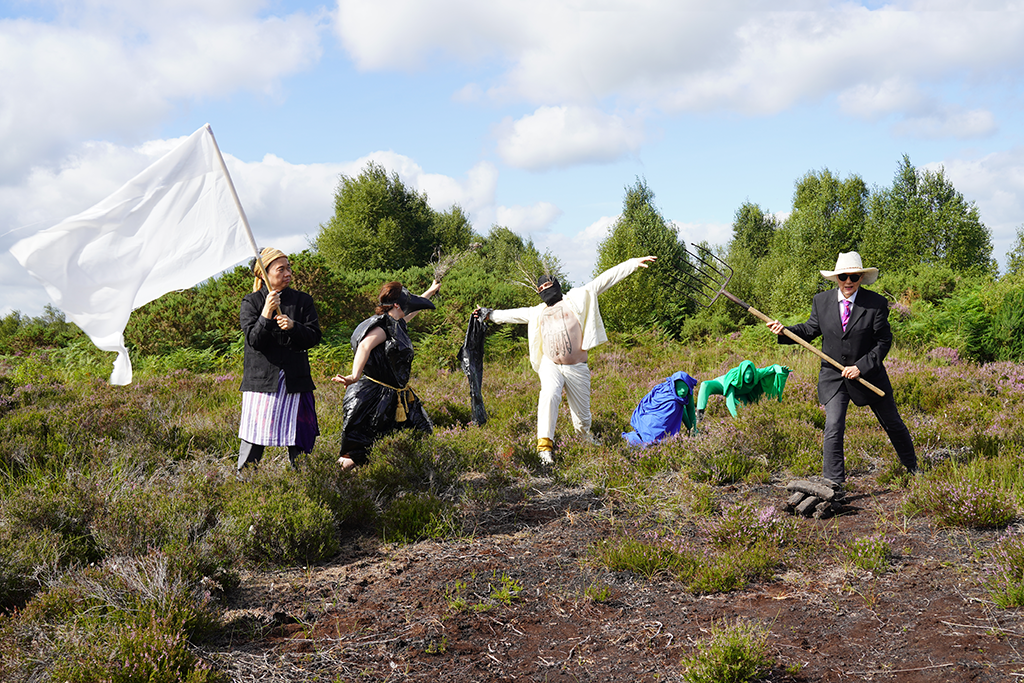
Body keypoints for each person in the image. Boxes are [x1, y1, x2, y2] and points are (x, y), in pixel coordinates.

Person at [479, 255, 657, 465]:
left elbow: (604, 280)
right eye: (541, 288)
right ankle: (544, 447)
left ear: (557, 285)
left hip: (576, 367)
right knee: (549, 394)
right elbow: (513, 315)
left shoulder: (577, 298)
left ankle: (585, 437)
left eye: (548, 285)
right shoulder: (538, 312)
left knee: (582, 419)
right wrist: (488, 314)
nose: (545, 289)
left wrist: (631, 264)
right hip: (550, 364)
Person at [767, 251, 917, 486]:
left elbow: (883, 342)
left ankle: (913, 469)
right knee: (833, 426)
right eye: (843, 276)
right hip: (834, 375)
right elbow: (809, 330)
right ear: (836, 278)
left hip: (868, 375)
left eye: (854, 277)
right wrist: (784, 331)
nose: (848, 281)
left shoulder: (875, 304)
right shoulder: (821, 301)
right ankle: (834, 485)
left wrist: (861, 367)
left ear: (860, 278)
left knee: (893, 423)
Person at [332, 280, 441, 469]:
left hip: (397, 395)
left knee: (420, 432)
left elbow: (415, 309)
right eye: (406, 297)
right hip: (374, 397)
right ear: (397, 304)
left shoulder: (398, 322)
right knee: (358, 451)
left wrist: (431, 291)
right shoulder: (382, 328)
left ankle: (406, 481)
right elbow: (365, 345)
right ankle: (335, 484)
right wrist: (355, 375)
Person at [238, 248, 322, 471]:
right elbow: (254, 340)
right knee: (254, 439)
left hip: (297, 381)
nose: (288, 273)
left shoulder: (303, 301)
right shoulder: (251, 302)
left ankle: (305, 485)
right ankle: (243, 485)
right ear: (263, 274)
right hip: (262, 384)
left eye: (289, 268)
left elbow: (314, 337)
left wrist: (295, 327)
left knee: (300, 439)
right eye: (281, 269)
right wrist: (266, 313)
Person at [622, 371, 698, 446]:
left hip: (647, 419)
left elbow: (689, 409)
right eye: (679, 387)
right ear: (674, 385)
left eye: (685, 387)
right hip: (652, 422)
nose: (683, 390)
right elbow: (684, 410)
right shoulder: (671, 400)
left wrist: (692, 429)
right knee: (650, 440)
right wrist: (692, 430)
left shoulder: (685, 392)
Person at [695, 360, 790, 419]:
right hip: (723, 384)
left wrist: (781, 371)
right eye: (745, 374)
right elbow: (730, 402)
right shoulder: (734, 379)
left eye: (750, 374)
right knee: (705, 385)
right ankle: (699, 414)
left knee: (746, 413)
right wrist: (738, 421)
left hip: (741, 393)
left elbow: (773, 368)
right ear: (742, 374)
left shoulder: (757, 374)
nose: (748, 377)